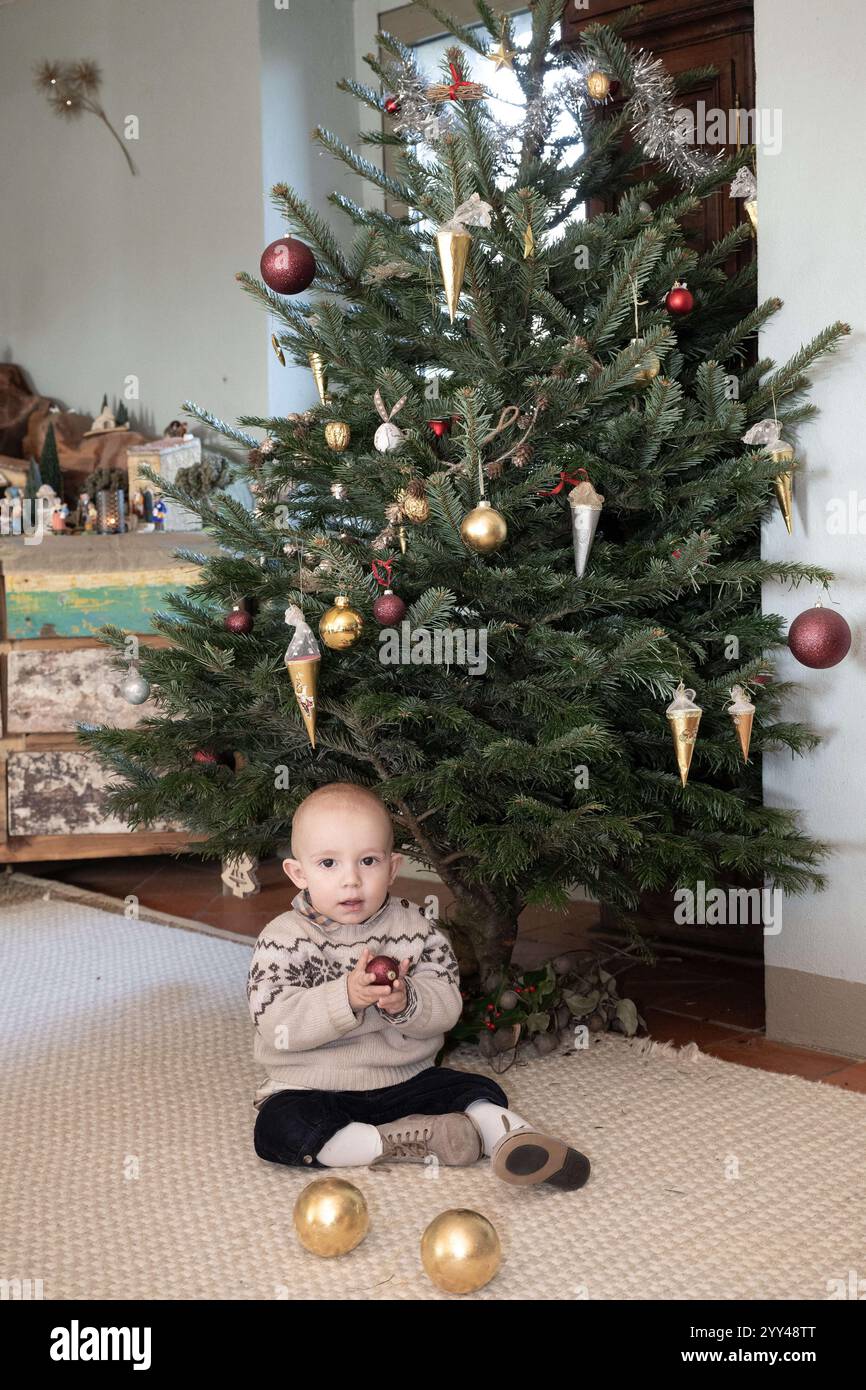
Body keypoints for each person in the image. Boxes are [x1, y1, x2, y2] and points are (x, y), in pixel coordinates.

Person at [247, 782, 591, 1189]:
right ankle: (391, 1142)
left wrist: (406, 1001)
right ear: (297, 873)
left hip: (403, 1080)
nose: (351, 880)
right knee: (278, 1130)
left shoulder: (416, 930)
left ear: (392, 868)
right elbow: (276, 1024)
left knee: (476, 1088)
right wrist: (347, 998)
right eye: (328, 864)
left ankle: (515, 1139)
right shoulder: (282, 939)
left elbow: (446, 1008)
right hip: (312, 1086)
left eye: (368, 861)